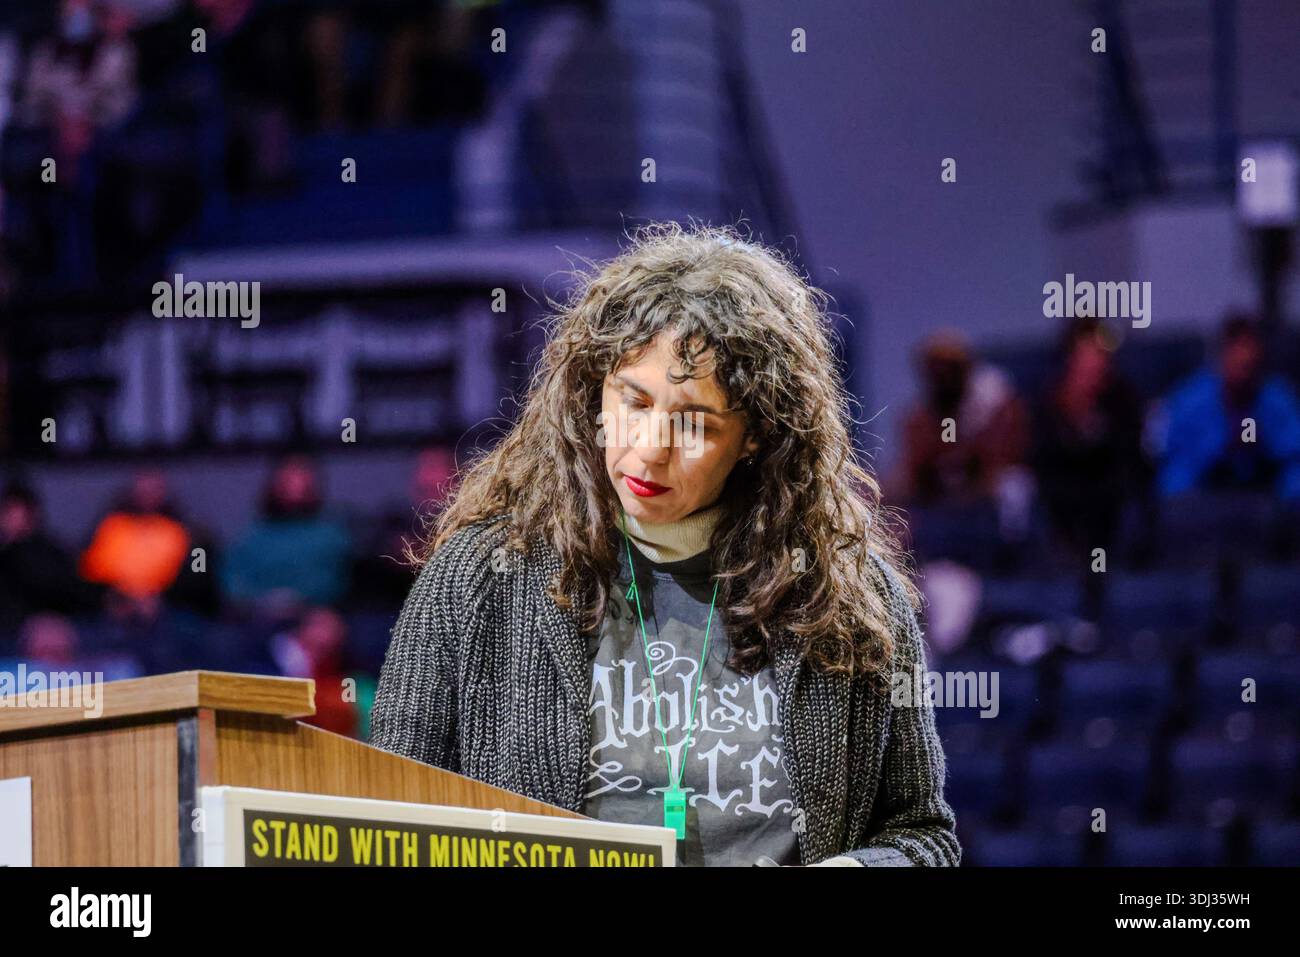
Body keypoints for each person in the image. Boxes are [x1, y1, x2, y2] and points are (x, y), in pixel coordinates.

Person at [370, 223, 960, 867]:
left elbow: (922, 833)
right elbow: (392, 823)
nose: (651, 448)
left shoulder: (850, 596)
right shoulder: (481, 576)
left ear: (758, 435)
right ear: (593, 391)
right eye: (634, 401)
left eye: (694, 423)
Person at [1157, 313, 1300, 500]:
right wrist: (1224, 443)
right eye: (1238, 366)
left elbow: (1293, 455)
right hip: (1204, 498)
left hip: (1264, 498)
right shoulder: (1190, 400)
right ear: (1223, 357)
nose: (1244, 375)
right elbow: (1175, 461)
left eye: (1250, 368)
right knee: (1174, 485)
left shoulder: (1277, 399)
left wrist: (1261, 444)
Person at [220, 456, 353, 611]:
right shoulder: (249, 537)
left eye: (302, 485)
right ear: (273, 487)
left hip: (317, 619)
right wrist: (264, 602)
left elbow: (337, 583)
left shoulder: (333, 537)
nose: (294, 491)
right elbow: (233, 584)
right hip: (256, 620)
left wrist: (299, 601)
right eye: (287, 484)